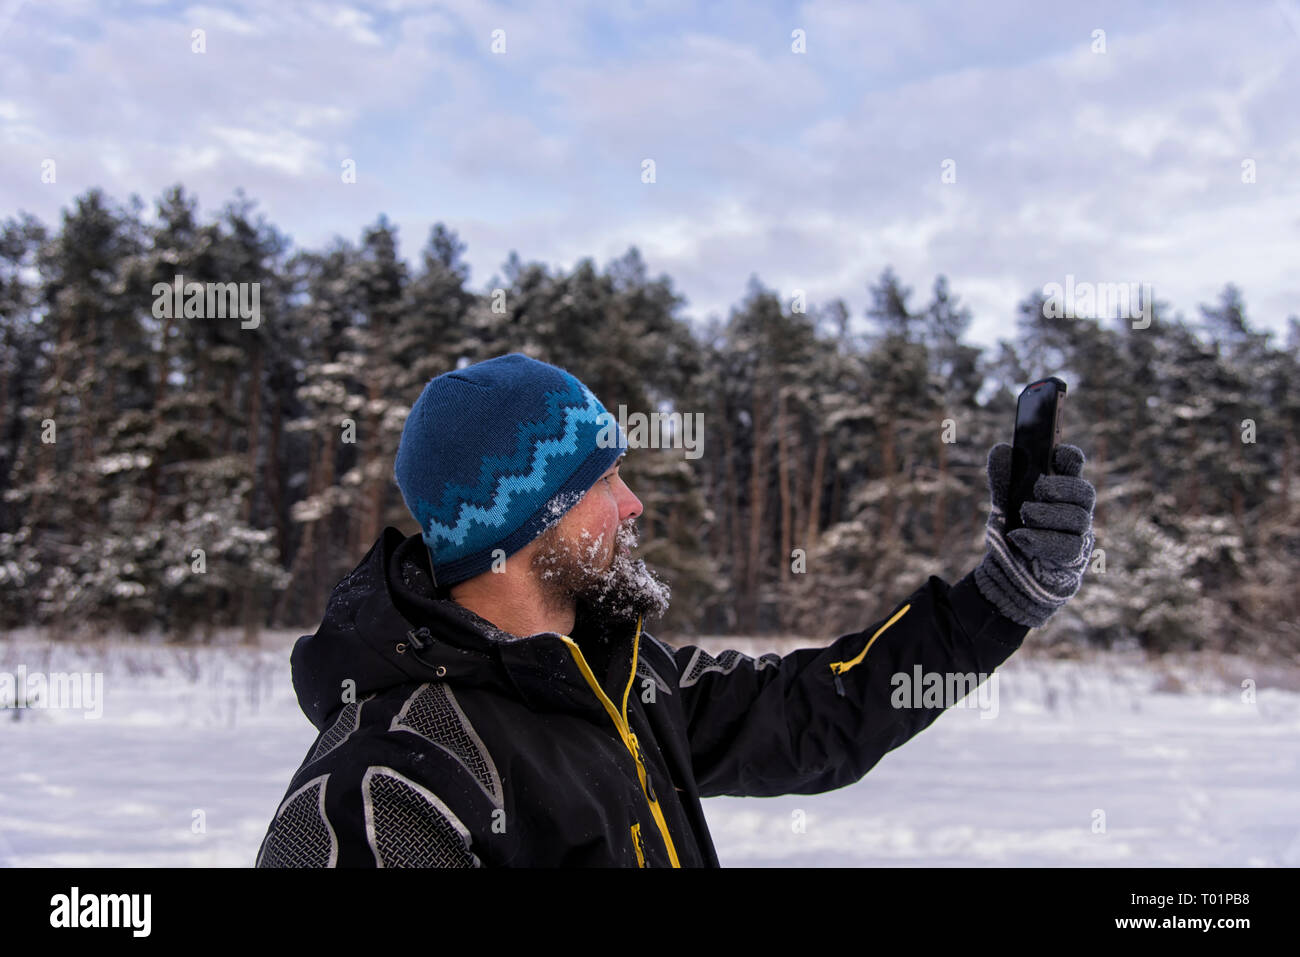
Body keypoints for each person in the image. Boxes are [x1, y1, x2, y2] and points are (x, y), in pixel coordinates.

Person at [255, 352, 1096, 867]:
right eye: (604, 480)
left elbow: (821, 711)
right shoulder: (386, 783)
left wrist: (1003, 596)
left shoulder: (625, 682)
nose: (635, 506)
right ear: (524, 520)